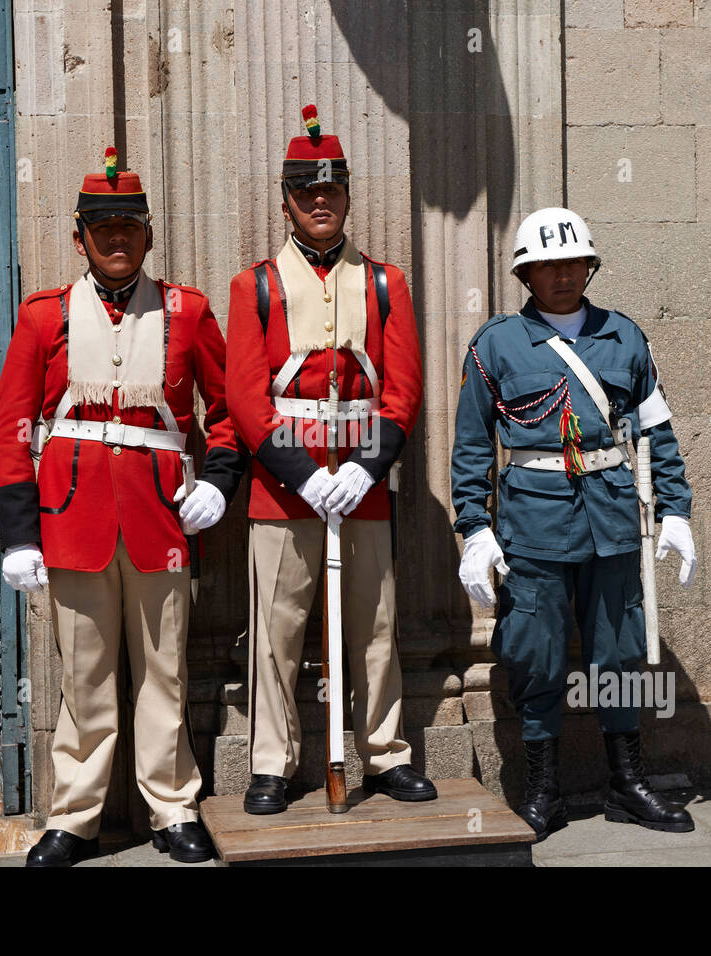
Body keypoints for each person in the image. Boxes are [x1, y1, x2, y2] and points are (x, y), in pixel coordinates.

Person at [0, 147, 244, 865]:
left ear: (148, 235)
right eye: (102, 230)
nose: (116, 240)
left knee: (165, 671)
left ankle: (171, 807)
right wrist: (18, 535)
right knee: (84, 678)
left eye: (129, 228)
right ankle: (74, 817)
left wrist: (218, 484)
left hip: (160, 520)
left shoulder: (186, 311)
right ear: (80, 239)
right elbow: (15, 429)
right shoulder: (45, 318)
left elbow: (227, 411)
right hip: (71, 523)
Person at [450, 207, 698, 841]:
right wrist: (474, 529)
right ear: (526, 273)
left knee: (619, 647)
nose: (562, 274)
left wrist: (675, 511)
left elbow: (656, 432)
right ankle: (541, 788)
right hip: (532, 520)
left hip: (613, 514)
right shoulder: (496, 344)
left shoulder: (625, 338)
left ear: (590, 266)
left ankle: (627, 780)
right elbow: (473, 444)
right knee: (535, 650)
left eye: (573, 262)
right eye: (547, 265)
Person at [224, 106, 435, 814]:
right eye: (306, 191)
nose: (321, 202)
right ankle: (274, 763)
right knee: (277, 632)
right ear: (286, 200)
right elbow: (246, 399)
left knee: (375, 627)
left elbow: (402, 391)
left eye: (332, 191)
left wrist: (360, 470)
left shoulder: (385, 285)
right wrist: (306, 474)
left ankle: (385, 753)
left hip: (362, 484)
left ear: (347, 196)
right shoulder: (254, 286)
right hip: (283, 490)